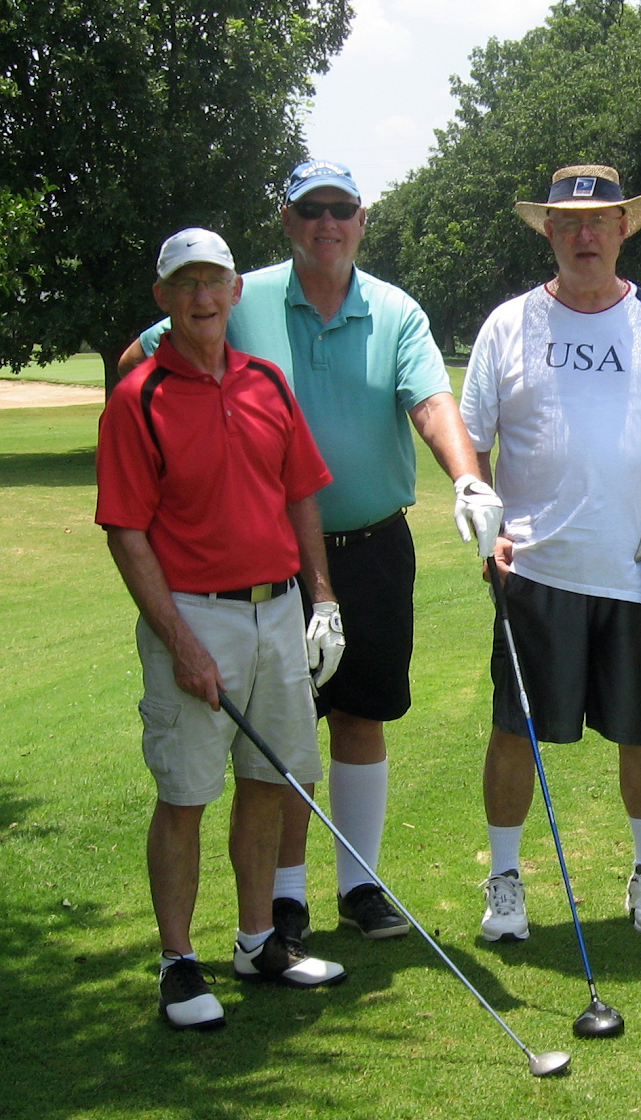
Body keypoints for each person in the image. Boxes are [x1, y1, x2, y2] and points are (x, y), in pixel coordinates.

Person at [119, 161, 502, 942]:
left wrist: (466, 480)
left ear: (362, 220)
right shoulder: (236, 291)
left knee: (362, 715)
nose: (327, 223)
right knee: (289, 734)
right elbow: (142, 363)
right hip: (269, 558)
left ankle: (360, 886)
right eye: (310, 209)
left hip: (373, 547)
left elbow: (429, 401)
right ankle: (285, 900)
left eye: (341, 209)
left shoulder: (394, 310)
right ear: (288, 221)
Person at [461, 165, 641, 942]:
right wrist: (481, 515)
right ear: (548, 231)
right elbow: (470, 443)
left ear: (622, 229)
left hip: (639, 571)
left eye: (599, 221)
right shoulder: (508, 325)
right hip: (536, 568)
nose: (584, 236)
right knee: (516, 730)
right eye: (568, 223)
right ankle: (504, 882)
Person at [98, 229, 348, 1031]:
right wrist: (181, 641)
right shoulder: (137, 398)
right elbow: (127, 533)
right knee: (184, 796)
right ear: (163, 297)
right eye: (187, 285)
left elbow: (301, 493)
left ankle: (255, 942)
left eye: (215, 283)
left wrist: (322, 599)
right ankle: (178, 964)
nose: (203, 299)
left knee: (270, 782)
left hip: (277, 609)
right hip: (195, 614)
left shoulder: (267, 382)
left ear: (236, 292)